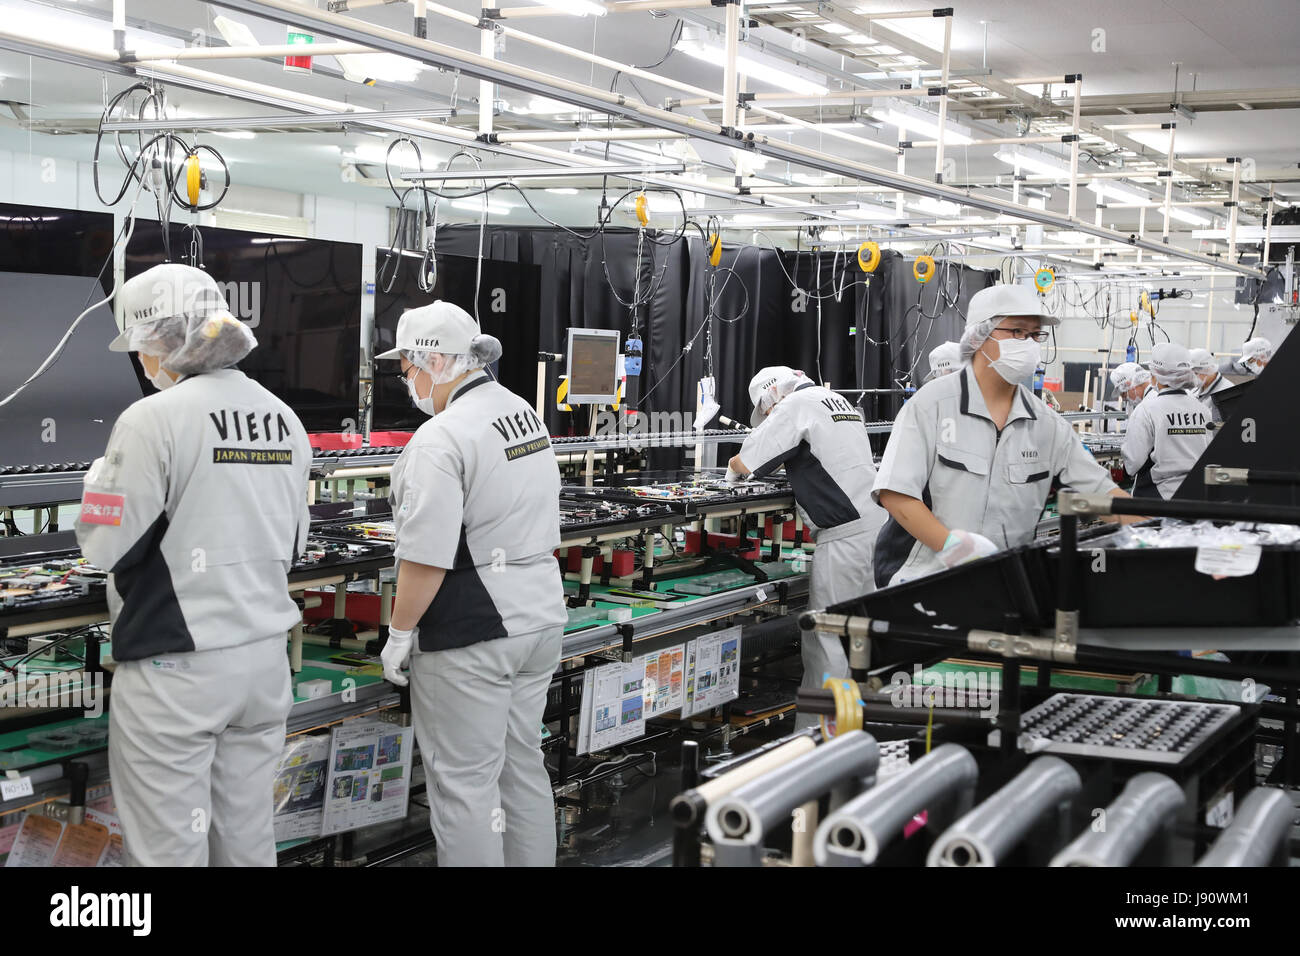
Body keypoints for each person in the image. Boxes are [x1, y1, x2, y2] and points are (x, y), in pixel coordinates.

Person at [76, 263, 311, 866]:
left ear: (162, 340)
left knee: (168, 851)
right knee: (246, 839)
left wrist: (97, 483)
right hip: (263, 663)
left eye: (141, 347)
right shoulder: (283, 418)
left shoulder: (152, 419)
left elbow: (102, 544)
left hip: (177, 671)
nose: (142, 362)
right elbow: (294, 544)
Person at [376, 301, 565, 867]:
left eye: (406, 370)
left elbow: (426, 556)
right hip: (539, 616)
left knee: (464, 787)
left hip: (475, 630)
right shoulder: (520, 412)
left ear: (432, 362)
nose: (406, 382)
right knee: (520, 767)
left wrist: (399, 632)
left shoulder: (441, 438)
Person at [873, 284, 1133, 586]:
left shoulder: (1046, 424)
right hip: (921, 579)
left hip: (1003, 583)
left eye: (1036, 335)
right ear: (981, 337)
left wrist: (1161, 534)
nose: (1029, 343)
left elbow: (1104, 496)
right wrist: (954, 547)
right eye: (1017, 332)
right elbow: (896, 494)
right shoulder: (931, 405)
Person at [725, 365, 887, 715]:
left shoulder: (794, 405)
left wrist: (730, 470)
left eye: (766, 411)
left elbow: (746, 461)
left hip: (844, 536)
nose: (769, 416)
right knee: (861, 639)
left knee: (827, 641)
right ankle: (859, 732)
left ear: (772, 396)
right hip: (876, 524)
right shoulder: (835, 399)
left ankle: (817, 746)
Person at [1121, 342, 1211, 499]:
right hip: (1198, 494)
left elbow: (1133, 462)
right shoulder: (1202, 409)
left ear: (1156, 375)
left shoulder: (1147, 410)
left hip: (1160, 496)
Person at [1189, 347, 1231, 423]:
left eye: (1195, 373)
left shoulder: (1227, 392)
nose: (1192, 378)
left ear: (1207, 369)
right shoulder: (1195, 390)